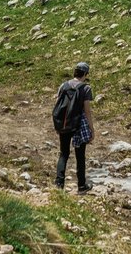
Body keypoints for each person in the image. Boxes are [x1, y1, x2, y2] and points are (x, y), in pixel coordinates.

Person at [55, 62, 96, 193]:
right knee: (80, 156)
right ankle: (81, 186)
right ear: (85, 74)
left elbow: (58, 104)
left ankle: (59, 184)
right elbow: (87, 111)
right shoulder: (85, 88)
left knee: (64, 154)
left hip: (64, 124)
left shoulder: (63, 85)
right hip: (78, 125)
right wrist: (92, 129)